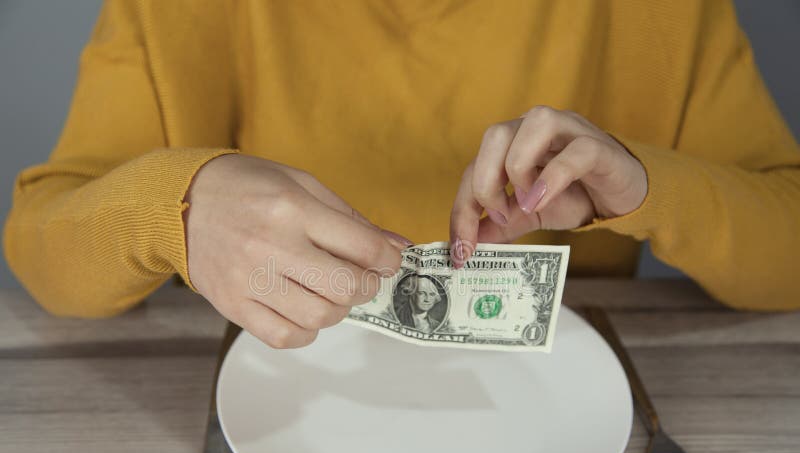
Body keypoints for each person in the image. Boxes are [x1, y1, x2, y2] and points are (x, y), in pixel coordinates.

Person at [4, 1, 799, 350]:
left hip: (564, 429)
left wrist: (647, 188)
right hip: (265, 412)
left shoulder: (660, 11)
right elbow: (41, 247)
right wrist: (174, 211)